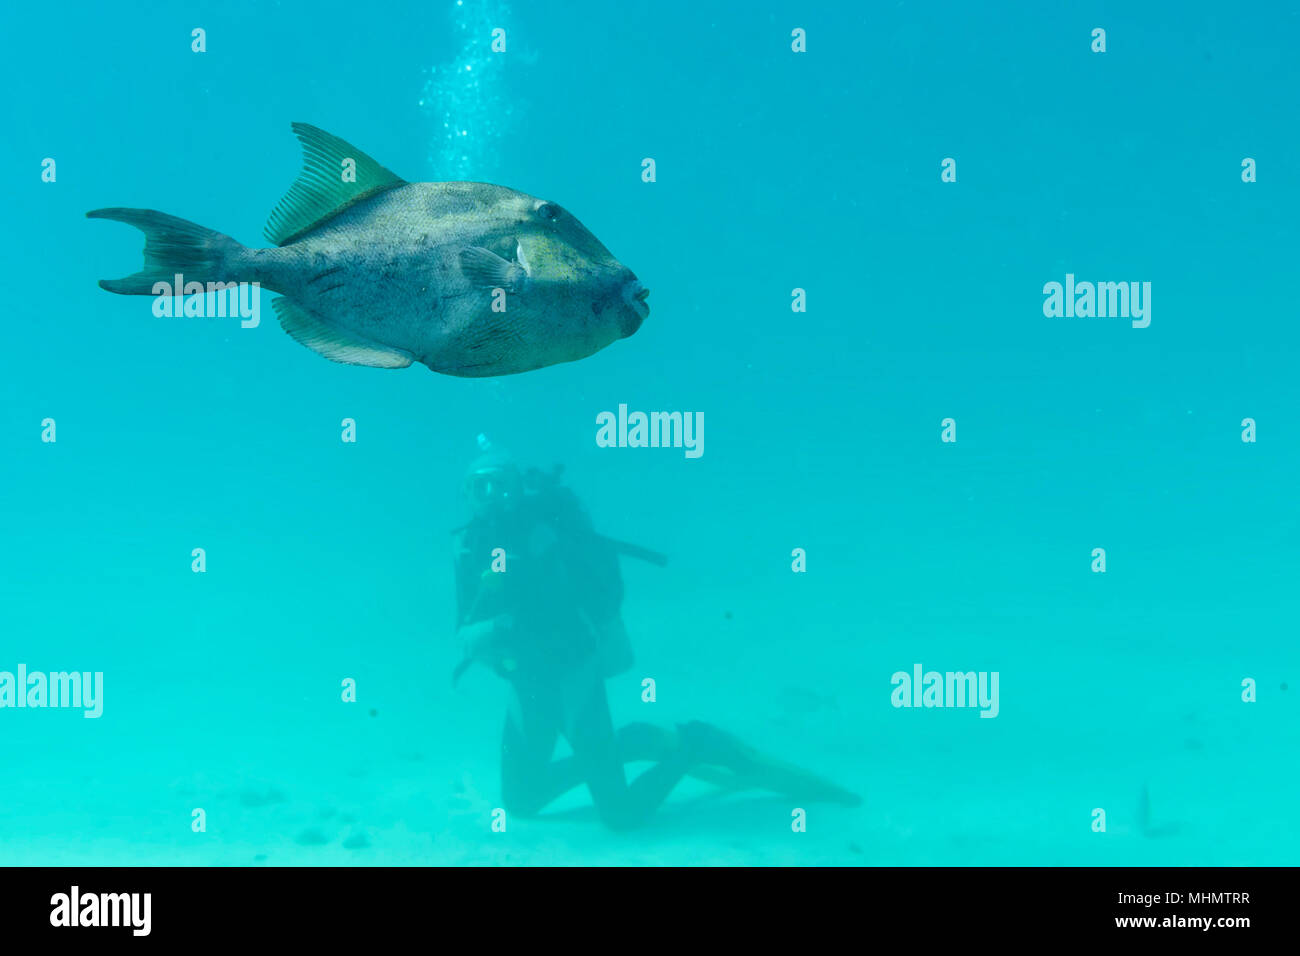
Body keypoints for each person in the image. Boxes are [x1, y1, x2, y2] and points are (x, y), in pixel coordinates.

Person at [451, 438, 859, 830]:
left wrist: (501, 627)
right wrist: (488, 636)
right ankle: (629, 743)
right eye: (478, 486)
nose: (489, 495)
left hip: (573, 674)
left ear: (517, 487)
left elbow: (563, 614)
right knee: (521, 800)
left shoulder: (547, 536)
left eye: (498, 484)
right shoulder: (471, 546)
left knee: (621, 816)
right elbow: (468, 623)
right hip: (525, 682)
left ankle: (695, 743)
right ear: (467, 492)